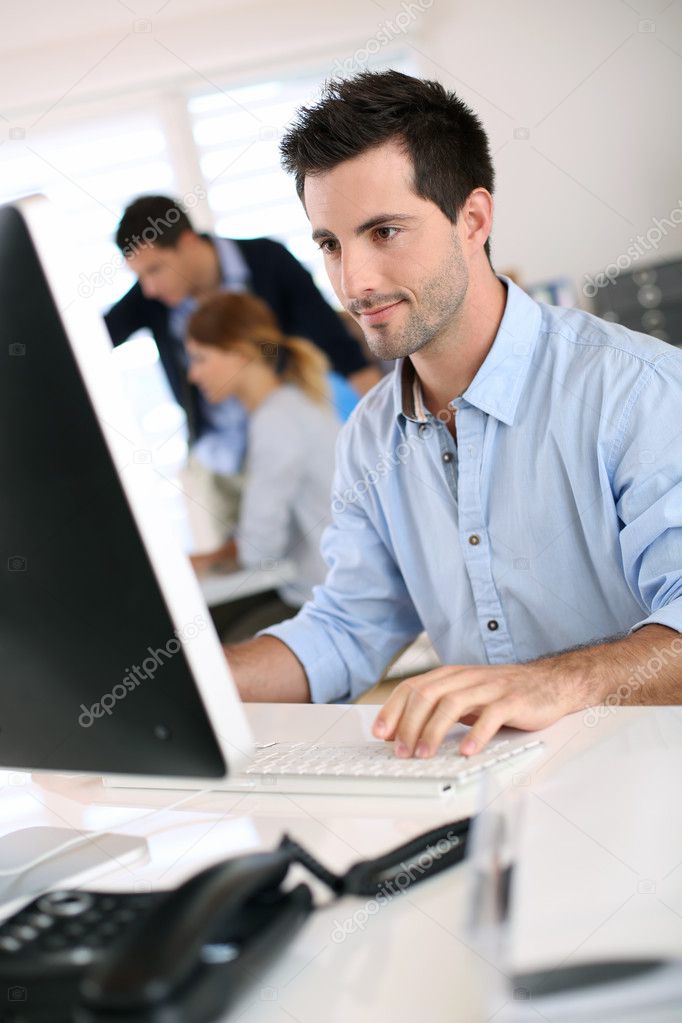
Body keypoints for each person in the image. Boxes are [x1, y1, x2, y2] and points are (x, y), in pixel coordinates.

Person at [224, 70, 682, 758]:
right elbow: (347, 629)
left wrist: (554, 684)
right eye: (330, 244)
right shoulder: (371, 437)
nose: (354, 282)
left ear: (472, 219)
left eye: (384, 231)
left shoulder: (634, 390)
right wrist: (186, 681)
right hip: (494, 798)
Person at [104, 195, 380, 475]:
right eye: (140, 277)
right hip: (219, 455)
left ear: (188, 242)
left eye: (154, 270)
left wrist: (382, 428)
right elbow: (91, 342)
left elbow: (338, 347)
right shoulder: (149, 299)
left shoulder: (268, 261)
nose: (148, 288)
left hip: (290, 442)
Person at [185, 291, 339, 624]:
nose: (192, 375)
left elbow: (258, 550)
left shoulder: (275, 421)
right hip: (324, 588)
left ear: (239, 354)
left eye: (200, 358)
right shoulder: (294, 403)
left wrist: (210, 560)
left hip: (324, 601)